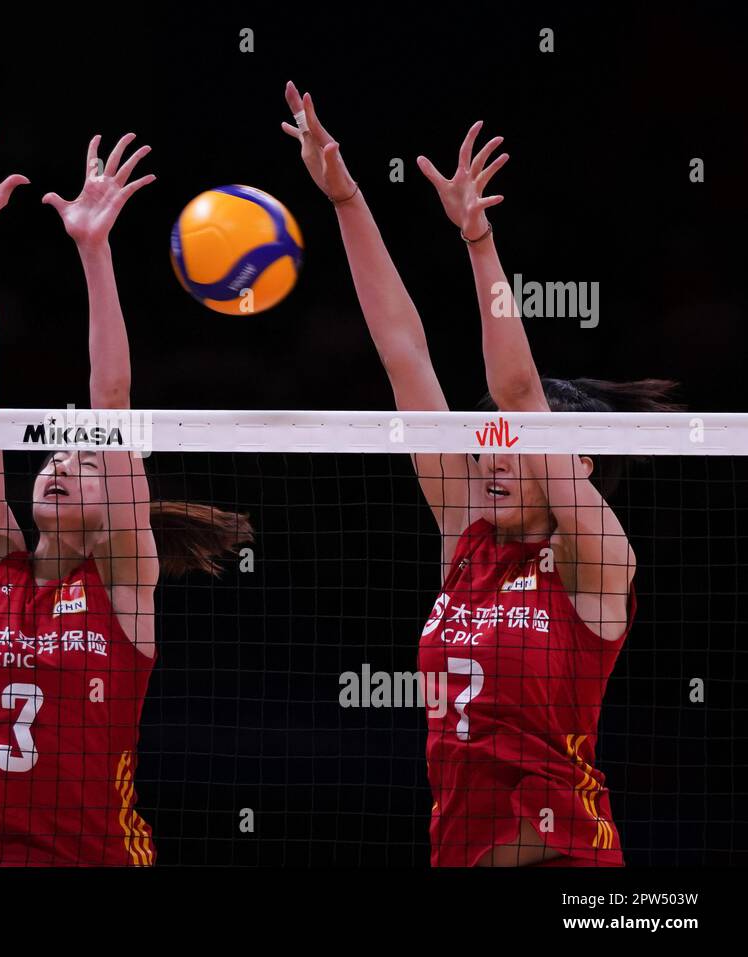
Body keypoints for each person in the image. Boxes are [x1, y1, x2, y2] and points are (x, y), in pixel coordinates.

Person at [283, 82, 679, 865]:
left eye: (515, 443)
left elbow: (520, 393)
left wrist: (477, 240)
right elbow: (405, 354)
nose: (493, 455)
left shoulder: (596, 560)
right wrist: (347, 199)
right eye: (485, 439)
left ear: (577, 464)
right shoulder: (467, 538)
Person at [0, 122, 250, 865]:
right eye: (56, 457)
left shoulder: (124, 582)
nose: (63, 463)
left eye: (90, 463)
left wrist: (94, 250)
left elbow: (112, 397)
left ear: (118, 507)